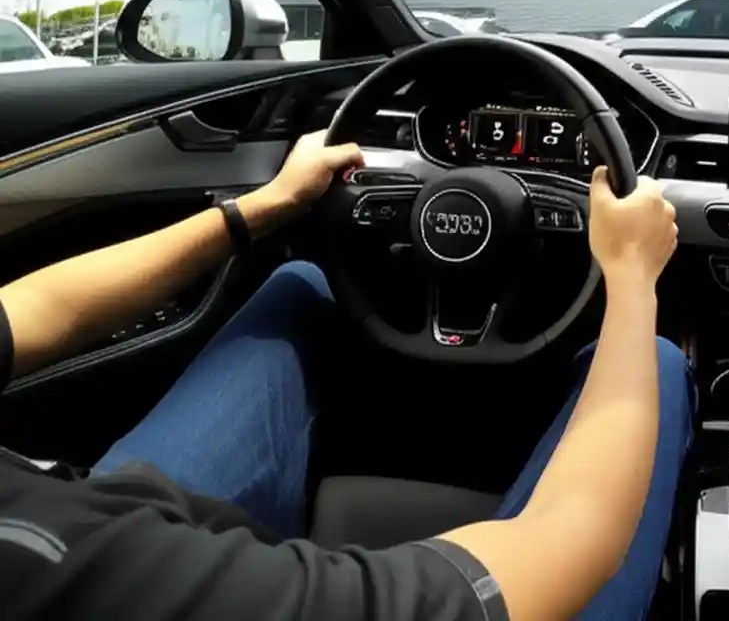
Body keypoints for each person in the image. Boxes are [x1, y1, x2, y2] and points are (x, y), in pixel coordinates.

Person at [0, 130, 690, 620]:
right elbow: (572, 540)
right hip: (129, 562)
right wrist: (632, 279)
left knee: (300, 288)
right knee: (652, 361)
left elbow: (34, 307)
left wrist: (259, 209)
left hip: (89, 509)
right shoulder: (105, 579)